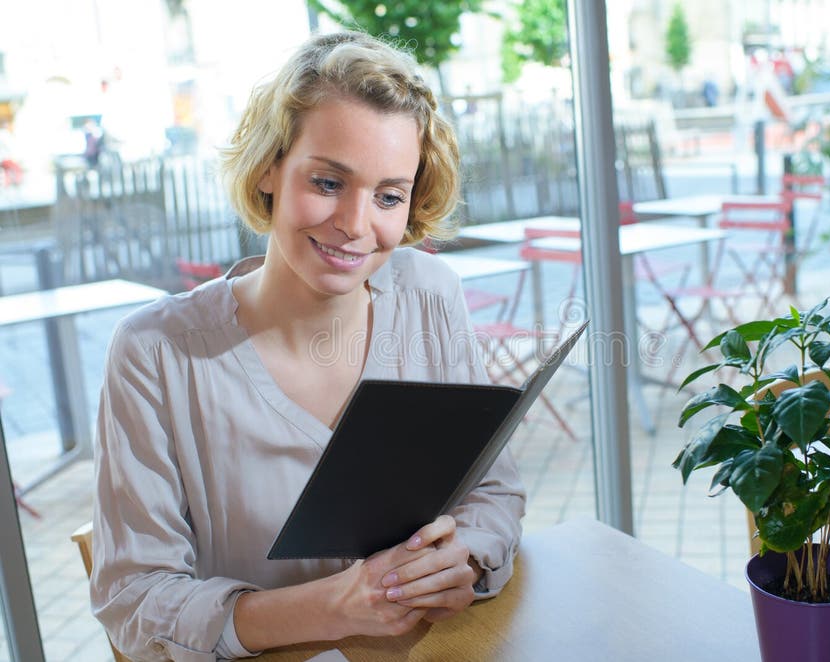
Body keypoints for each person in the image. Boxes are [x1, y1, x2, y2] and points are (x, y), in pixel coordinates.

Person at [89, 31, 526, 660]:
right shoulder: (155, 354)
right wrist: (327, 609)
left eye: (388, 196)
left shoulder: (431, 295)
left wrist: (467, 559)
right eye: (327, 182)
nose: (355, 224)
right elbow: (133, 599)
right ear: (270, 167)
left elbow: (493, 491)